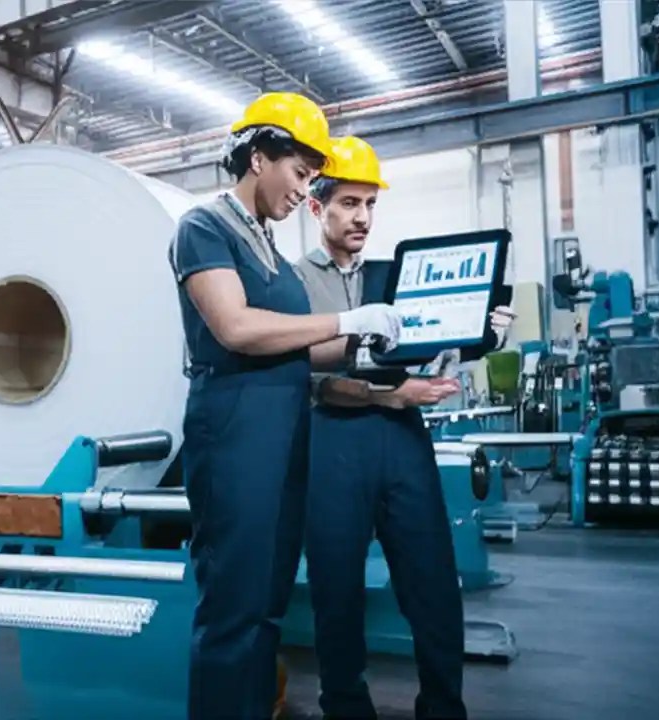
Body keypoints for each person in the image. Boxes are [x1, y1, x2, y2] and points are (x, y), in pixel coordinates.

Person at [167, 94, 405, 720]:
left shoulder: (270, 247)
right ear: (257, 157)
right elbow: (238, 329)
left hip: (284, 438)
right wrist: (346, 316)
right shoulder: (204, 228)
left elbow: (305, 351)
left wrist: (383, 341)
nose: (306, 190)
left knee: (267, 605)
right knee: (232, 609)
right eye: (300, 173)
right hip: (235, 433)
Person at [293, 135, 516, 720]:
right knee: (335, 590)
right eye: (347, 203)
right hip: (334, 442)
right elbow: (309, 380)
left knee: (433, 584)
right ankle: (346, 708)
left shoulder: (394, 275)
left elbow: (434, 341)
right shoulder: (293, 284)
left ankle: (443, 708)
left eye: (369, 204)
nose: (362, 216)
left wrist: (485, 332)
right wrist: (387, 394)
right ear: (317, 207)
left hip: (403, 440)